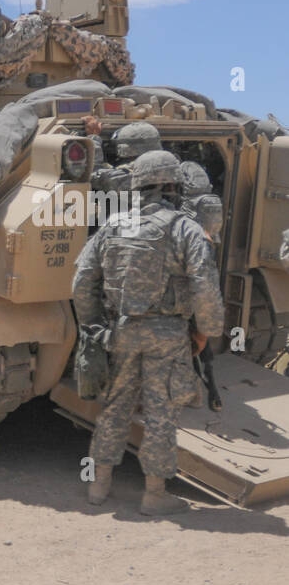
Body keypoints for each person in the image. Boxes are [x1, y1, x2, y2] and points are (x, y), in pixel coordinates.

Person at [71, 150, 224, 515]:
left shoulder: (113, 225)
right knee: (161, 412)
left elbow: (81, 282)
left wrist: (97, 330)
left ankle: (99, 485)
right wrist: (207, 332)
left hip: (122, 331)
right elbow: (205, 286)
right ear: (173, 185)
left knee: (115, 406)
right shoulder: (185, 228)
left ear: (137, 185)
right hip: (169, 335)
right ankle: (154, 495)